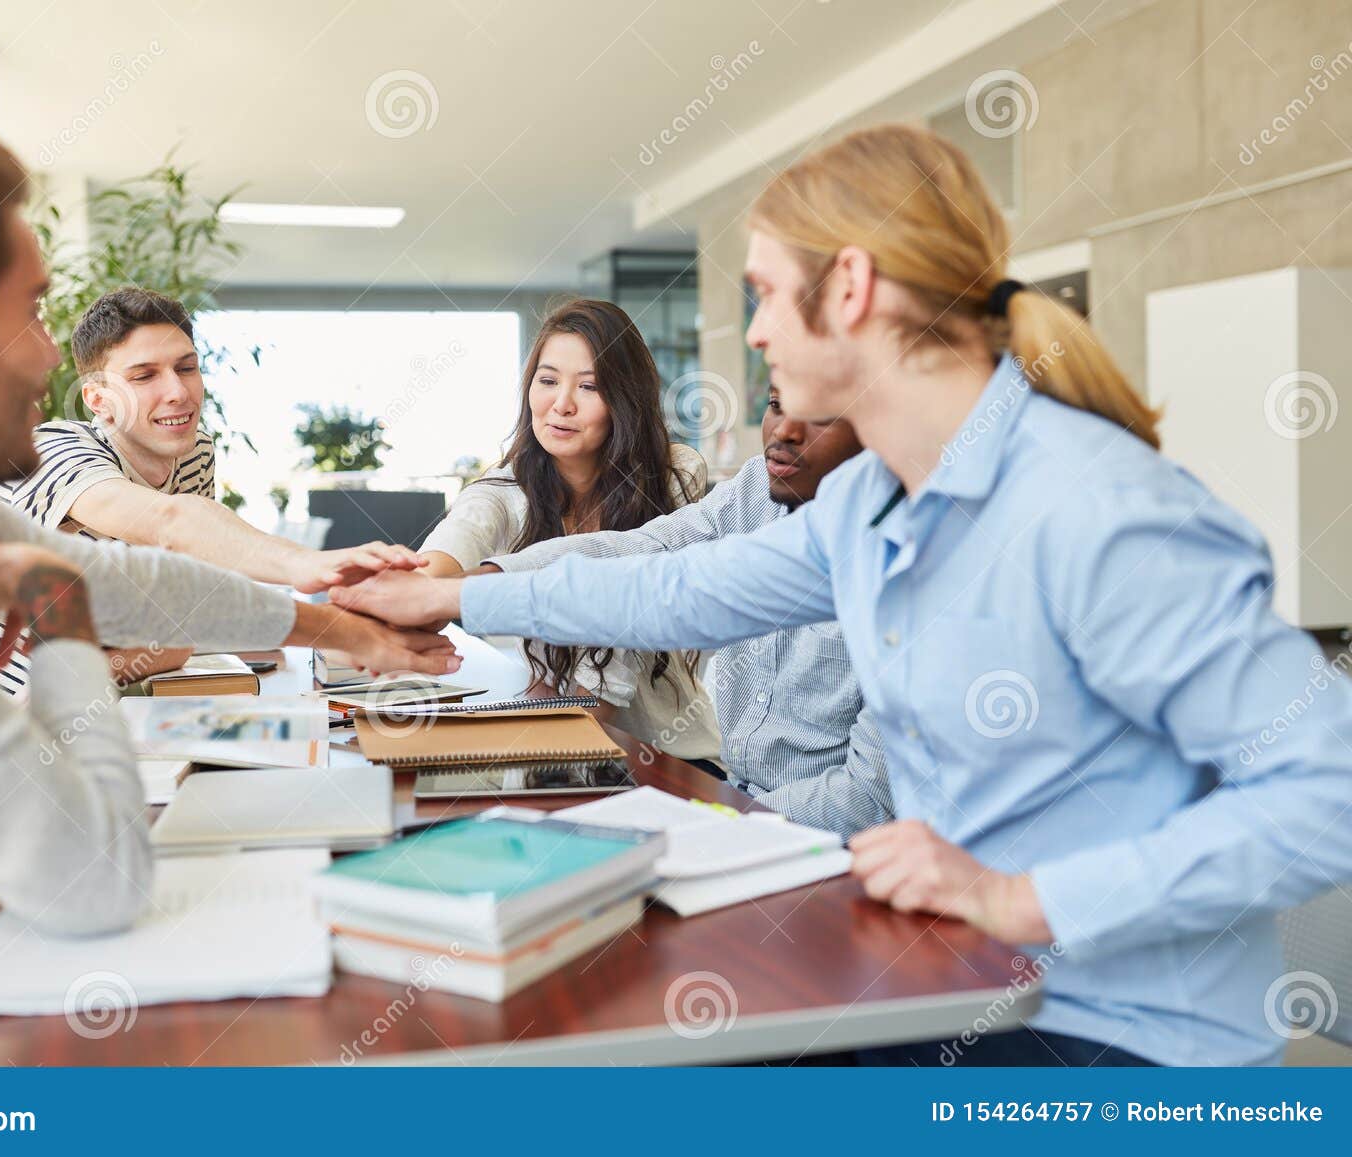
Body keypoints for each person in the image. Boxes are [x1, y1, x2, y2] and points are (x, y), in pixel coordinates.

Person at [332, 123, 1352, 1067]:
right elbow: (678, 585)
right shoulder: (872, 500)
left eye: (766, 294)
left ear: (851, 287)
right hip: (947, 983)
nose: (757, 332)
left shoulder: (1093, 506)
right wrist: (455, 596)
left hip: (1118, 1044)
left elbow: (1326, 792)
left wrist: (1023, 896)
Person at [0, 114, 456, 1066]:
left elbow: (130, 580)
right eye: (33, 312)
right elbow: (97, 880)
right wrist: (56, 608)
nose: (51, 356)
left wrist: (344, 631)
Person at [474, 385, 889, 834]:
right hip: (729, 795)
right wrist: (472, 586)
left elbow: (866, 800)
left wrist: (710, 823)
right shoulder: (756, 488)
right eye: (774, 405)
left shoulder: (899, 554)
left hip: (817, 836)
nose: (784, 430)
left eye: (820, 415)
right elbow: (648, 551)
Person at [0, 287, 424, 694]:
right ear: (98, 400)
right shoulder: (51, 450)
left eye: (186, 368)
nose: (178, 392)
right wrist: (306, 564)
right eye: (144, 376)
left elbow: (183, 609)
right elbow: (170, 524)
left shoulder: (195, 452)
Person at [417, 298, 719, 764]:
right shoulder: (504, 489)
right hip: (562, 742)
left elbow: (627, 611)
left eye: (589, 386)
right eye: (548, 381)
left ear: (625, 399)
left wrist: (541, 743)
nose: (561, 405)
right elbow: (449, 549)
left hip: (671, 756)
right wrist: (415, 593)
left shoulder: (675, 473)